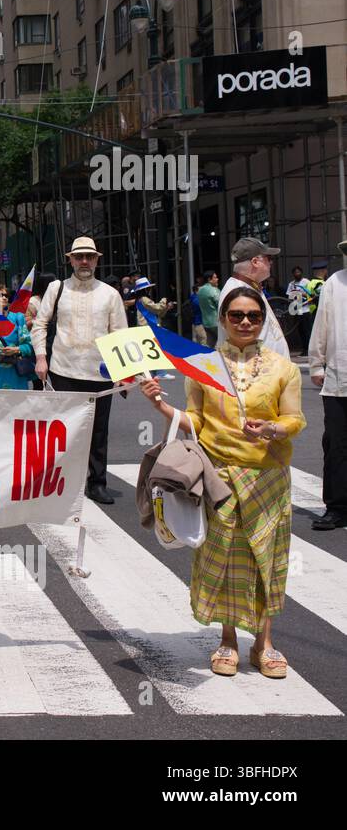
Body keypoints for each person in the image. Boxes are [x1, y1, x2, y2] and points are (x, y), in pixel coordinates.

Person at [139, 286, 305, 679]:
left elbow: (296, 420)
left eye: (254, 316)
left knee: (267, 560)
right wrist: (160, 406)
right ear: (224, 320)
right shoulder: (205, 366)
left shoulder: (284, 368)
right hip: (219, 476)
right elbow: (195, 420)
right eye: (237, 316)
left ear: (263, 321)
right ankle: (228, 641)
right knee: (225, 555)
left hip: (268, 477)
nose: (245, 322)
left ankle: (264, 645)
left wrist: (273, 430)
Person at [30, 237, 129, 505]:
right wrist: (41, 357)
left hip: (100, 373)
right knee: (65, 431)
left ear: (97, 259)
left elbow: (120, 334)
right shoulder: (56, 288)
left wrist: (124, 372)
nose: (84, 262)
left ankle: (97, 483)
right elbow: (40, 324)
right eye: (79, 257)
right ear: (70, 259)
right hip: (63, 369)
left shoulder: (110, 294)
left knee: (98, 431)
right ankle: (63, 483)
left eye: (90, 256)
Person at [308, 241, 347, 531]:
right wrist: (316, 363)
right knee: (336, 444)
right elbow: (321, 323)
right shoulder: (335, 282)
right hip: (339, 377)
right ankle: (335, 507)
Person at [221, 237, 290, 360]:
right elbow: (243, 341)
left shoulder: (248, 287)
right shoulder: (238, 293)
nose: (271, 263)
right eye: (268, 258)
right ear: (255, 262)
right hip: (258, 373)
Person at [0, 304, 33, 390]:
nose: (2, 298)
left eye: (5, 295)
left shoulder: (18, 318)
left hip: (14, 376)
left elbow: (29, 346)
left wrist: (17, 349)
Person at [286, 266, 311, 355]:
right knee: (300, 330)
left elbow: (310, 293)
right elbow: (289, 296)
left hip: (305, 309)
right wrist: (294, 295)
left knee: (307, 330)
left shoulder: (306, 282)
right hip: (296, 309)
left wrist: (300, 293)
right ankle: (304, 349)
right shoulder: (291, 284)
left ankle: (309, 349)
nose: (297, 274)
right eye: (295, 272)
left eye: (298, 272)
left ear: (301, 272)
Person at [198, 270, 221, 347]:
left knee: (209, 344)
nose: (217, 279)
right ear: (209, 279)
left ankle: (205, 358)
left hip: (206, 322)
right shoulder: (214, 290)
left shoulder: (200, 290)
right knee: (223, 344)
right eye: (215, 277)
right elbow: (221, 305)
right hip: (217, 322)